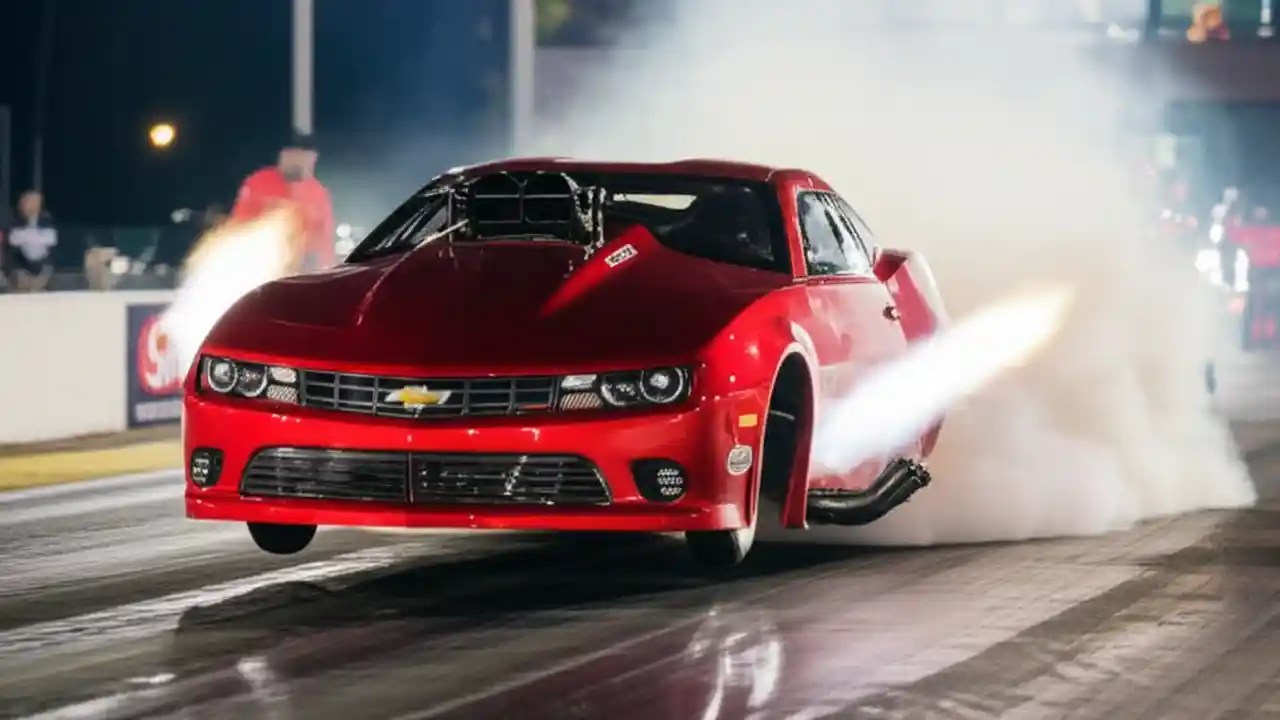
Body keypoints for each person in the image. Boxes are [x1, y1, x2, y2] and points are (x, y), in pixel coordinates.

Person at [230, 131, 335, 272]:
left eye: (307, 158)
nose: (301, 163)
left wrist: (326, 270)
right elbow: (239, 222)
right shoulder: (258, 182)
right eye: (295, 156)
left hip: (303, 268)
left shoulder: (318, 192)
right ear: (283, 156)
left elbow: (325, 238)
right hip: (261, 264)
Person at [7, 190, 58, 292]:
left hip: (43, 266)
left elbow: (51, 239)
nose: (30, 206)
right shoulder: (15, 220)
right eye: (26, 203)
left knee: (46, 273)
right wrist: (35, 235)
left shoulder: (46, 220)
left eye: (34, 203)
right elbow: (14, 240)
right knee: (19, 277)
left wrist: (27, 235)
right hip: (21, 267)